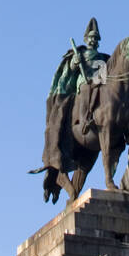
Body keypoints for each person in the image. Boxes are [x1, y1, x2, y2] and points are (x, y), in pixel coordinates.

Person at [39, 18, 108, 202]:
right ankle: (83, 120)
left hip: (98, 88)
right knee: (86, 89)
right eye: (90, 37)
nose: (93, 40)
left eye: (95, 38)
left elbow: (103, 78)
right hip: (81, 87)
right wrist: (74, 64)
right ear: (86, 38)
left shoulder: (102, 58)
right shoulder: (80, 54)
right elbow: (68, 73)